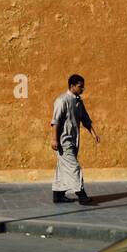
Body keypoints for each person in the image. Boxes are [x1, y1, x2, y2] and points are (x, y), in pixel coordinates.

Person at [51, 74, 99, 205]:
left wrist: (93, 134)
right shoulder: (62, 100)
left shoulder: (78, 101)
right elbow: (55, 121)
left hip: (74, 140)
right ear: (71, 86)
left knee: (62, 168)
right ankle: (81, 195)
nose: (82, 89)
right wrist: (54, 139)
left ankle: (58, 195)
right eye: (80, 86)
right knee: (74, 167)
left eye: (83, 86)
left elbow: (85, 119)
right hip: (63, 141)